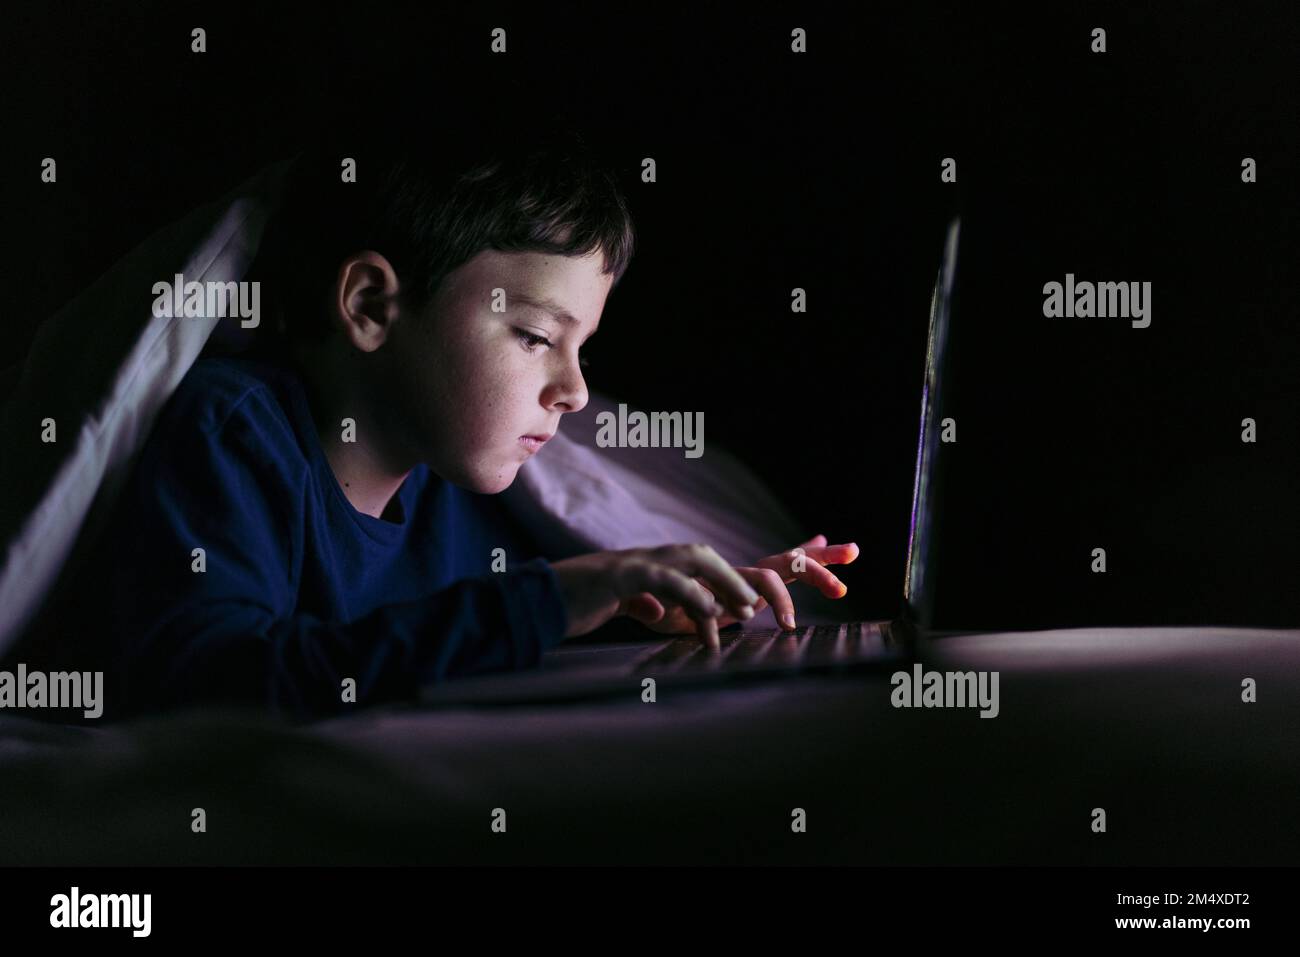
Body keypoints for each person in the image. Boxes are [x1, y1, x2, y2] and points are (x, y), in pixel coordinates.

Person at [20, 109, 857, 722]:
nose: (573, 391)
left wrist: (667, 599)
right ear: (373, 304)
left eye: (583, 351)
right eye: (535, 335)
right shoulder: (237, 433)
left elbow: (493, 633)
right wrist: (558, 597)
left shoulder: (462, 501)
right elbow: (207, 683)